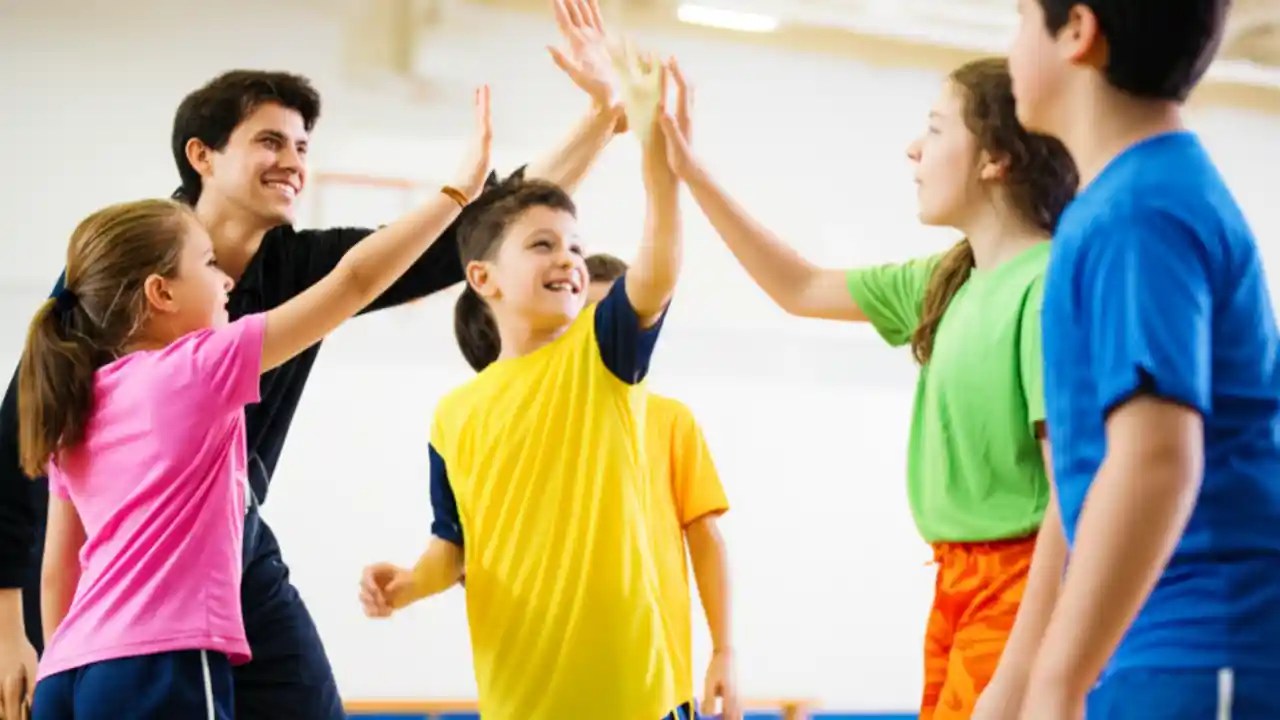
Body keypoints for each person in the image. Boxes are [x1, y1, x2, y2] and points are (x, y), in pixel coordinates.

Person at [0, 1, 629, 716]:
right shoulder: (120, 278)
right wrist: (9, 629)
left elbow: (475, 237)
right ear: (201, 155)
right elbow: (23, 456)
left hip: (221, 549)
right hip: (134, 611)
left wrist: (599, 118)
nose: (294, 161)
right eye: (271, 141)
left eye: (303, 145)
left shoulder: (293, 264)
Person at [21, 88, 489, 718]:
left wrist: (59, 666)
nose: (228, 281)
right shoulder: (195, 370)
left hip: (72, 671)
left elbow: (59, 574)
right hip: (166, 664)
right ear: (160, 293)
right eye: (210, 265)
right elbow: (353, 281)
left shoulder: (75, 405)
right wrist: (459, 191)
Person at [653, 57, 1078, 720]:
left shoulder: (1048, 287)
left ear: (995, 159)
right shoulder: (948, 279)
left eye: (935, 130)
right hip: (956, 583)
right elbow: (799, 286)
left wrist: (1023, 668)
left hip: (1021, 590)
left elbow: (1070, 499)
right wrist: (690, 171)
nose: (913, 147)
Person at [357, 54, 689, 720]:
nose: (568, 257)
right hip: (519, 699)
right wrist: (409, 583)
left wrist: (658, 151)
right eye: (542, 245)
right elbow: (452, 548)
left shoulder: (601, 357)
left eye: (573, 244)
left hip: (633, 695)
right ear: (484, 279)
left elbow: (656, 268)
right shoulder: (455, 414)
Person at [992, 2, 1280, 718]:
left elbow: (1156, 458)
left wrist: (1058, 683)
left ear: (1078, 33)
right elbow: (1085, 481)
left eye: (1021, 18)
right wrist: (1022, 675)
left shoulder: (1139, 208)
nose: (1010, 45)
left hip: (1203, 649)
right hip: (1156, 652)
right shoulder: (1123, 200)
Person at [583, 253, 737, 720]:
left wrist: (724, 649)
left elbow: (705, 537)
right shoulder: (537, 423)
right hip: (562, 680)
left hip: (656, 683)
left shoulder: (671, 421)